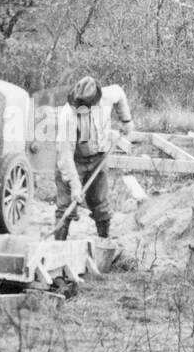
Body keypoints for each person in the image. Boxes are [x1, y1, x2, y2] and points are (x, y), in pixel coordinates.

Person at [53, 76, 135, 241]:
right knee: (66, 207)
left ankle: (103, 244)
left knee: (101, 205)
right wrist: (75, 184)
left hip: (99, 158)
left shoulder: (106, 96)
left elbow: (119, 93)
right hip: (74, 161)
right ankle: (58, 246)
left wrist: (126, 120)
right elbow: (66, 153)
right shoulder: (68, 115)